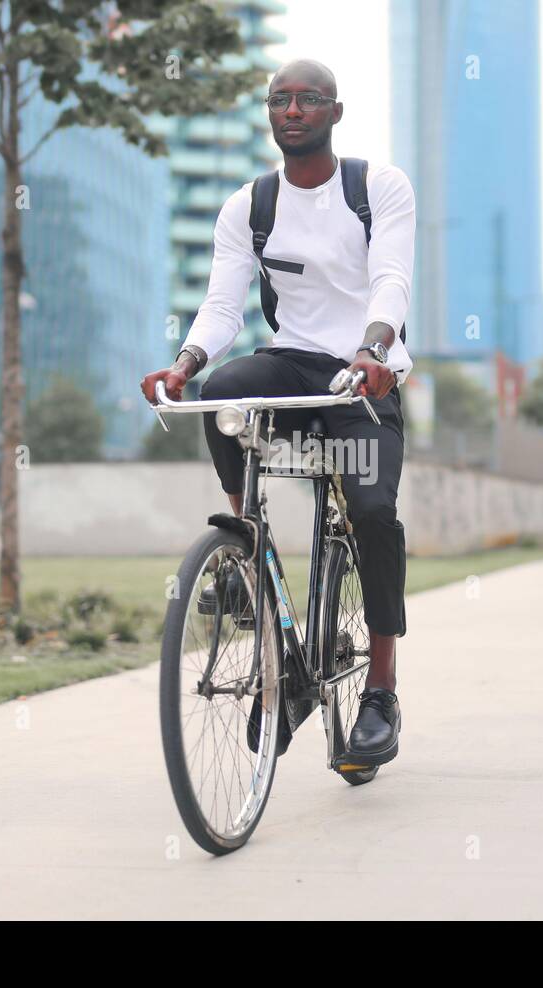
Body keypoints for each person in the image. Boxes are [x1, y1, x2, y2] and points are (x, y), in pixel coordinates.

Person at [140, 60, 415, 767]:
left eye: (309, 100)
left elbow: (390, 279)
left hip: (364, 379)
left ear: (335, 112)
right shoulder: (250, 205)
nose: (293, 110)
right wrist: (186, 362)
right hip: (293, 362)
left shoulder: (377, 188)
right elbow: (224, 304)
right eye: (281, 101)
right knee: (225, 391)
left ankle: (380, 689)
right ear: (270, 114)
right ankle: (244, 547)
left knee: (372, 513)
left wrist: (373, 348)